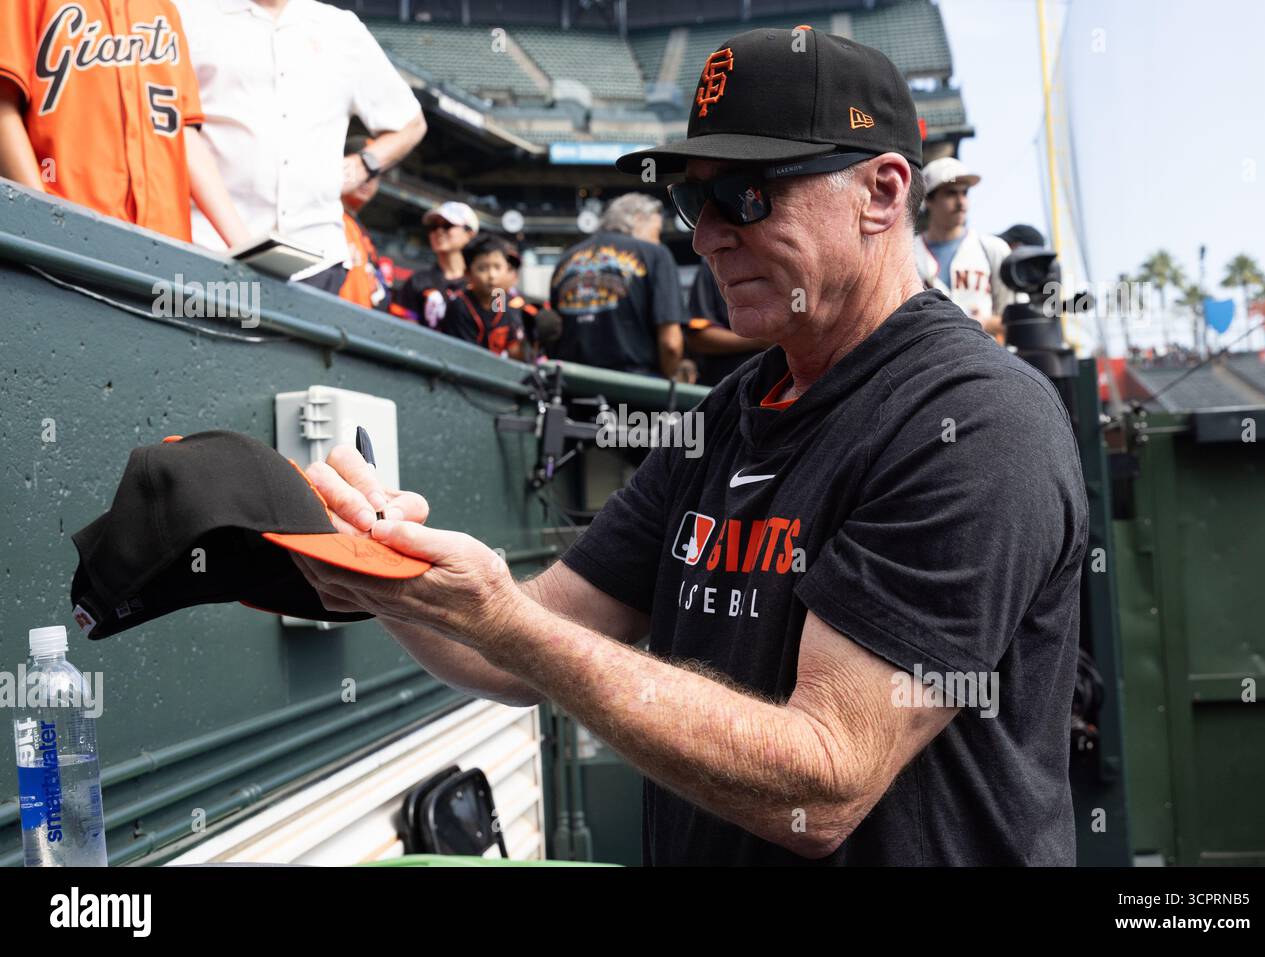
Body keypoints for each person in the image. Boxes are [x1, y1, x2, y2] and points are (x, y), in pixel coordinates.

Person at [289, 27, 1087, 866]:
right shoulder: (730, 411)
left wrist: (504, 620)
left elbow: (823, 778)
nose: (704, 237)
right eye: (689, 201)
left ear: (882, 193)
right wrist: (386, 571)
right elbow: (527, 640)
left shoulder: (978, 422)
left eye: (743, 194)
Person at [172, 0, 427, 293]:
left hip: (315, 255)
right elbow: (172, 124)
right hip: (206, 246)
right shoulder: (189, 13)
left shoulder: (341, 28)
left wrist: (363, 165)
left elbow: (411, 123)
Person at [0, 0, 248, 246]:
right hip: (69, 232)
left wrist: (244, 244)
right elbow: (3, 107)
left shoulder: (164, 10)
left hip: (166, 247)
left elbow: (182, 132)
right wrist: (44, 224)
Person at [549, 193, 685, 378]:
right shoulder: (656, 254)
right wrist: (670, 384)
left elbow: (553, 333)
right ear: (638, 220)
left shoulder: (565, 259)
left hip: (573, 386)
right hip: (636, 389)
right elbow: (671, 344)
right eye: (657, 231)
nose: (658, 240)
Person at [914, 157, 1012, 337]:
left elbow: (1015, 320)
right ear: (928, 200)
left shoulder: (992, 249)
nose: (961, 202)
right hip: (928, 360)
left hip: (983, 359)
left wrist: (985, 323)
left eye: (964, 193)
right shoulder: (907, 253)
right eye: (951, 193)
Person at [436, 235, 526, 360]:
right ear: (468, 273)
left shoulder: (505, 302)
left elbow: (515, 352)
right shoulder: (459, 306)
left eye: (497, 267)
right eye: (482, 269)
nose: (492, 275)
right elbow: (465, 358)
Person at [391, 200, 479, 326]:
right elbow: (404, 332)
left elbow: (502, 327)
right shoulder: (417, 281)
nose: (439, 231)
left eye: (448, 225)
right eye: (433, 227)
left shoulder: (491, 284)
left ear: (470, 234)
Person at [686, 261, 768, 387]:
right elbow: (699, 336)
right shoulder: (713, 265)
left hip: (780, 385)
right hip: (724, 388)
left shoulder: (785, 266)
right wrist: (760, 340)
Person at [339, 137, 391, 311]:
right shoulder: (320, 215)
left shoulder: (364, 236)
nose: (368, 179)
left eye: (375, 174)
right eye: (363, 168)